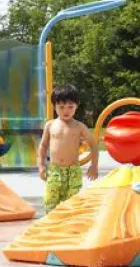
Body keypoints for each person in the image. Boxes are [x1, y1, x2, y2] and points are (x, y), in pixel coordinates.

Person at [37, 84, 99, 213]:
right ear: (54, 107)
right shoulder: (50, 125)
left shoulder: (79, 127)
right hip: (55, 171)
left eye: (70, 107)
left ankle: (69, 227)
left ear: (77, 106)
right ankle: (51, 226)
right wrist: (41, 166)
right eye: (61, 107)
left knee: (72, 204)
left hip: (73, 172)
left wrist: (94, 166)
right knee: (50, 202)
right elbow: (43, 146)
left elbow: (93, 144)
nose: (66, 111)